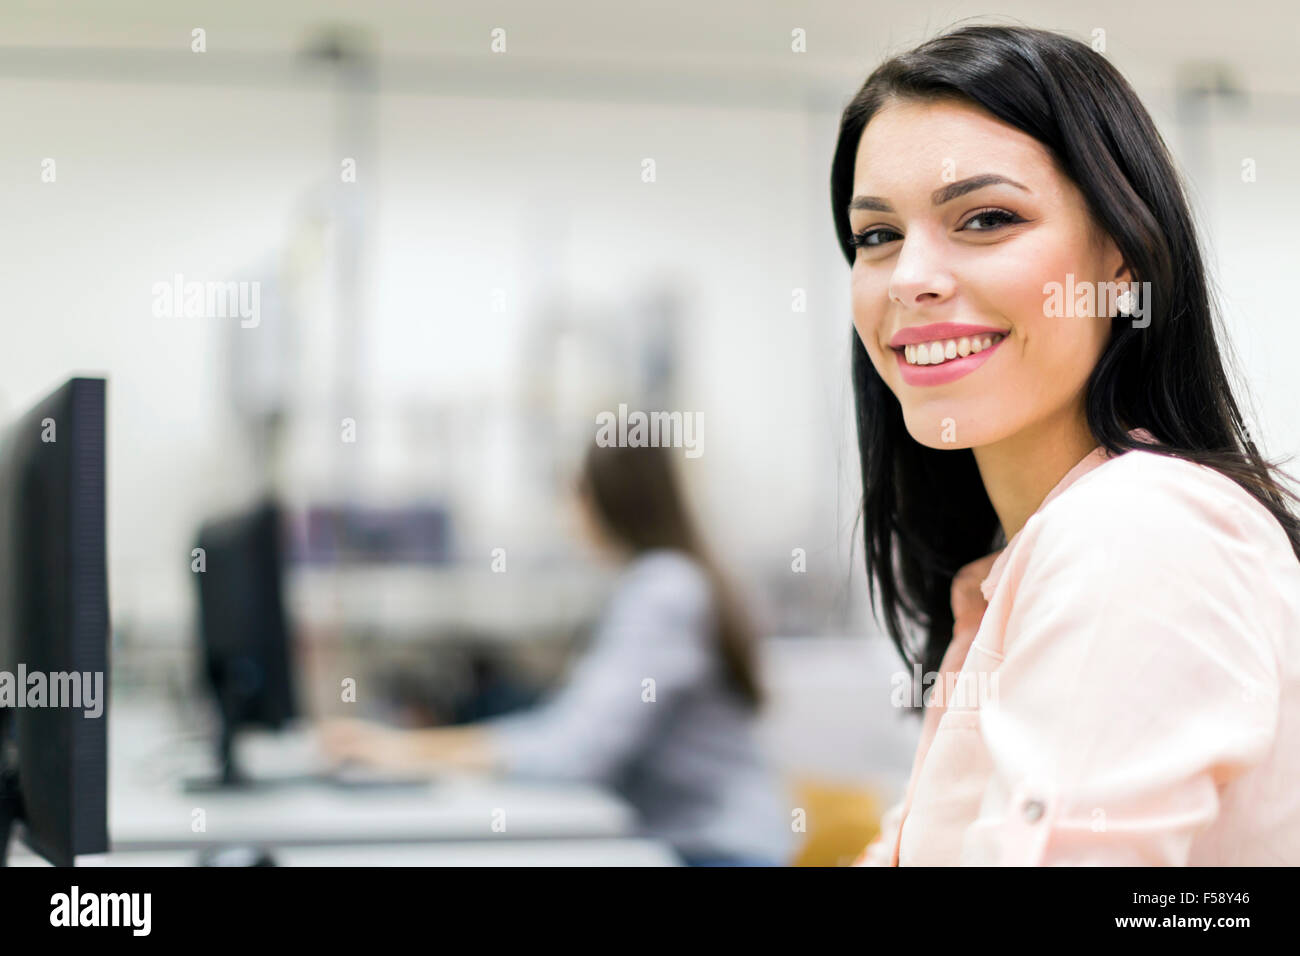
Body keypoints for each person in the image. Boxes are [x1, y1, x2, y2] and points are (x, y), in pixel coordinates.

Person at [831, 24, 1300, 865]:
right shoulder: (1022, 564)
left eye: (985, 218)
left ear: (1121, 257)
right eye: (877, 236)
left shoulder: (1138, 533)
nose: (909, 279)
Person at [320, 441, 795, 866]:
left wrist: (408, 752)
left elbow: (575, 752)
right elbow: (564, 733)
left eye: (576, 494)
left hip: (717, 854)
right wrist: (412, 749)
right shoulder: (671, 579)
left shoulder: (663, 590)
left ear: (608, 500)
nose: (569, 513)